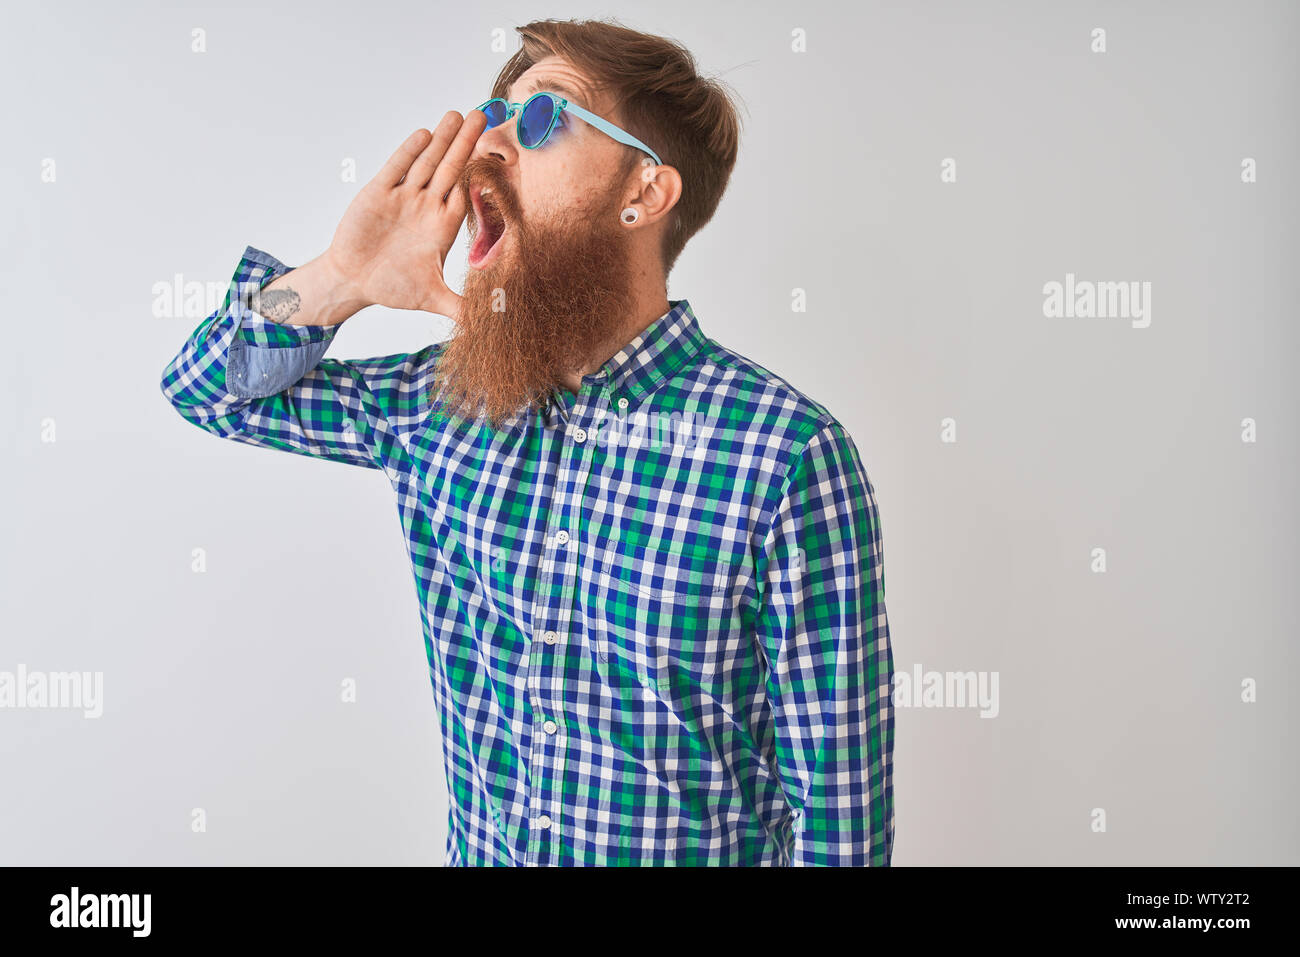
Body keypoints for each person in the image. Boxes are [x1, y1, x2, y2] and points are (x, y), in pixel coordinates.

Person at [159, 17, 894, 866]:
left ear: (645, 192)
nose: (488, 145)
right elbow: (209, 391)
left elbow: (840, 833)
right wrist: (342, 278)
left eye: (543, 119)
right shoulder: (440, 407)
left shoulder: (784, 457)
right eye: (492, 115)